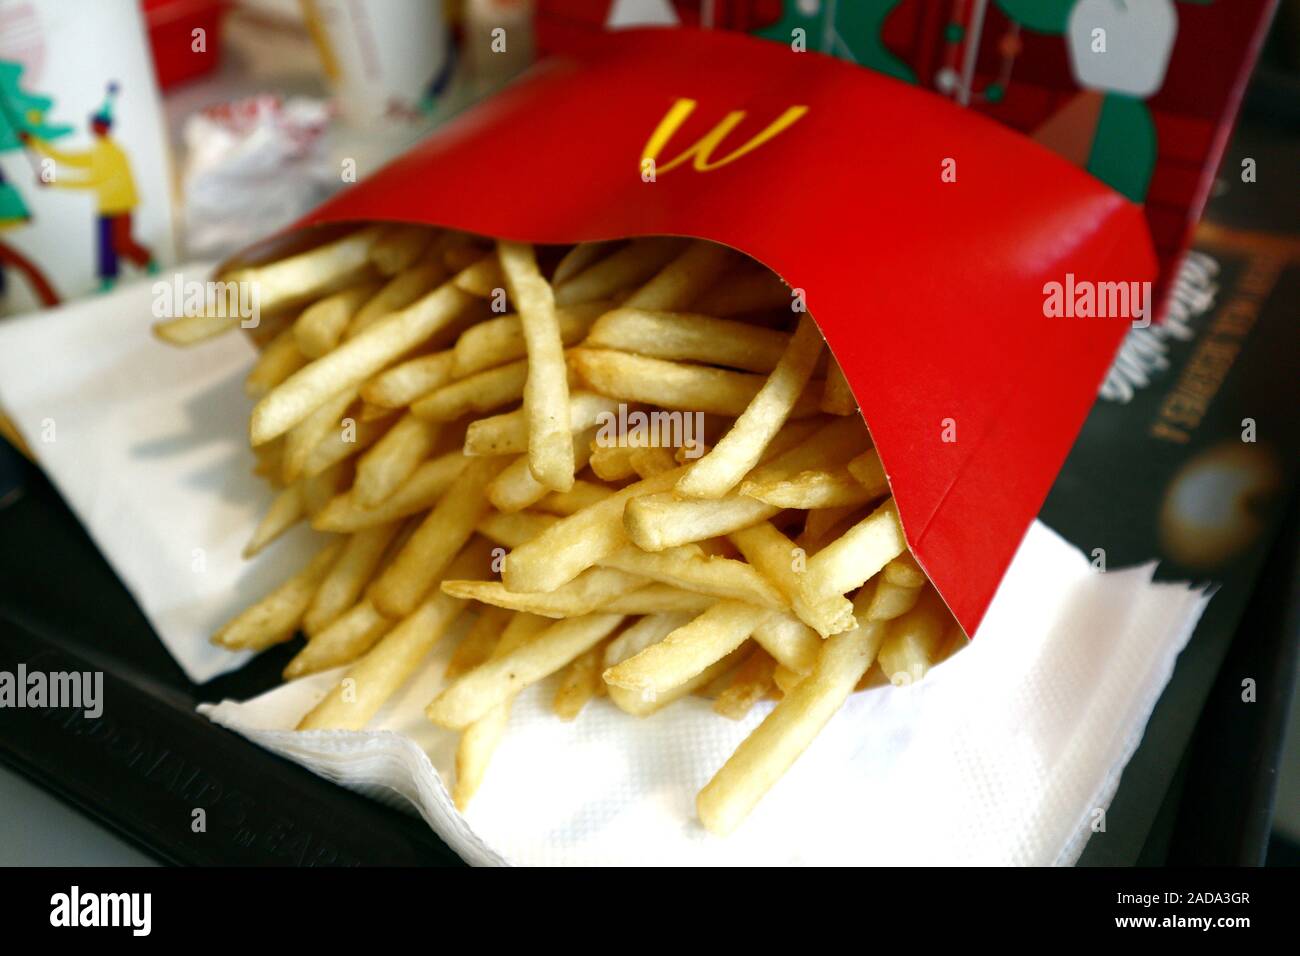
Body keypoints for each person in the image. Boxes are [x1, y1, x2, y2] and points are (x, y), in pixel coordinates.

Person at [21, 82, 156, 290]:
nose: (94, 127)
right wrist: (35, 142)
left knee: (121, 243)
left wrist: (54, 181)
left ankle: (151, 265)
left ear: (105, 127)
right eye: (94, 123)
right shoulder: (97, 151)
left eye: (98, 124)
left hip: (120, 204)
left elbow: (91, 181)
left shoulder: (112, 152)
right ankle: (108, 281)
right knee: (106, 249)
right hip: (105, 205)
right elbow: (65, 158)